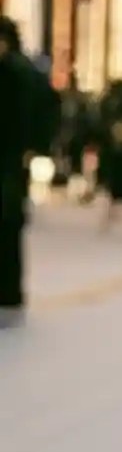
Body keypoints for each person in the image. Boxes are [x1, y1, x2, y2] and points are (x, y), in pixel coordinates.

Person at [0, 16, 33, 314]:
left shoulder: (18, 73)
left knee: (8, 225)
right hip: (10, 161)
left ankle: (10, 291)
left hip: (9, 163)